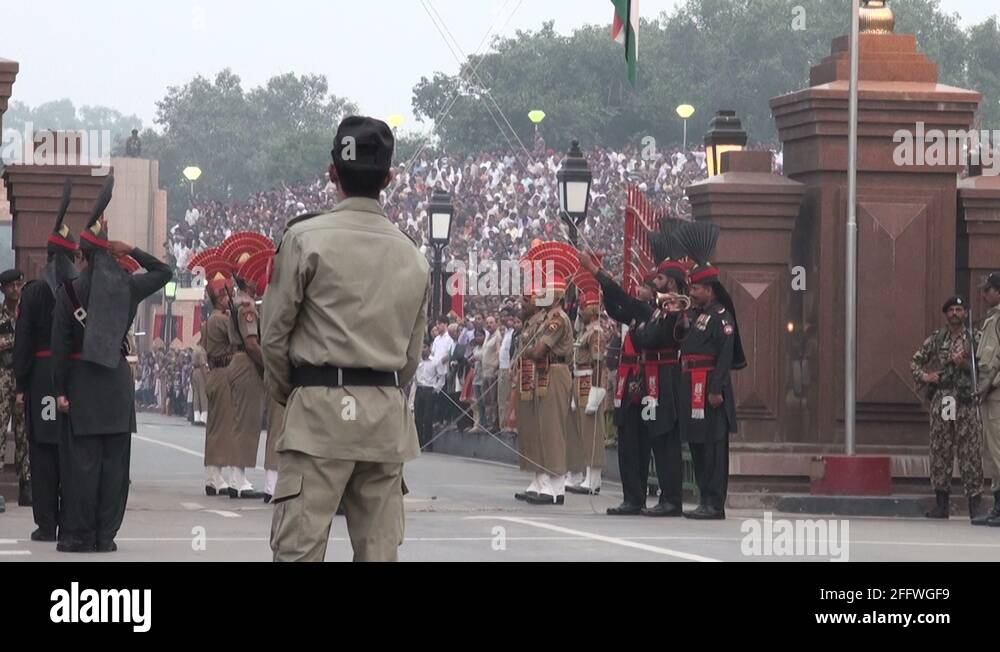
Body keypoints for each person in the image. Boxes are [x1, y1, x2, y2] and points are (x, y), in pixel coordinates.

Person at [262, 116, 430, 562]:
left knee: (299, 550)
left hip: (318, 412)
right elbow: (411, 357)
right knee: (378, 553)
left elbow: (273, 334)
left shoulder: (304, 239)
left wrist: (294, 393)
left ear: (332, 172)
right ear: (389, 179)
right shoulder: (413, 255)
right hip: (384, 420)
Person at [52, 177, 172, 552]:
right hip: (117, 386)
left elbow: (59, 346)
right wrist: (133, 248)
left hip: (81, 385)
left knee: (82, 467)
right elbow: (165, 274)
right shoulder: (128, 285)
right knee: (114, 468)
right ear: (108, 253)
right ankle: (105, 537)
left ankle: (79, 535)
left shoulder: (68, 291)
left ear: (83, 256)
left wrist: (59, 390)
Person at [13, 189, 79, 541]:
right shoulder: (78, 290)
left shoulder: (35, 291)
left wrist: (21, 384)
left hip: (40, 379)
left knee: (42, 450)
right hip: (70, 377)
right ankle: (69, 517)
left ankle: (46, 522)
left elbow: (23, 341)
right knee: (68, 449)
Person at [675, 258, 745, 521]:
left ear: (710, 289)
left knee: (714, 448)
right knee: (697, 444)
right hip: (692, 385)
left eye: (696, 289)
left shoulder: (721, 317)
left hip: (711, 389)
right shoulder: (697, 314)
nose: (691, 293)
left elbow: (725, 356)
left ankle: (715, 503)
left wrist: (716, 388)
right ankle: (704, 497)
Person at [505, 243, 575, 505]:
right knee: (536, 428)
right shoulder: (544, 319)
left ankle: (556, 483)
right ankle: (542, 478)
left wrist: (526, 354)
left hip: (554, 370)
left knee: (552, 428)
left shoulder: (558, 319)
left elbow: (538, 350)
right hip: (540, 372)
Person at [911, 295, 985, 521]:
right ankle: (941, 505)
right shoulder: (937, 338)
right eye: (951, 310)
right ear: (946, 314)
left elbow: (985, 367)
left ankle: (975, 506)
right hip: (943, 399)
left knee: (970, 452)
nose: (955, 313)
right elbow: (915, 362)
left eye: (959, 310)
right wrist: (926, 376)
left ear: (965, 314)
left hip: (965, 400)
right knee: (941, 450)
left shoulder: (975, 339)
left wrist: (965, 365)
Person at [565, 289, 607, 495]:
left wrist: (597, 391)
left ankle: (594, 477)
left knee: (591, 430)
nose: (580, 311)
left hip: (589, 378)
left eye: (583, 307)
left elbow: (598, 362)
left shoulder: (596, 333)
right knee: (578, 429)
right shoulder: (584, 331)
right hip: (578, 377)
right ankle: (579, 472)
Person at [0, 268, 29, 506]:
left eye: (18, 285)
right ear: (3, 289)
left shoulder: (26, 313)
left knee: (24, 433)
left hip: (22, 378)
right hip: (2, 378)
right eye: (10, 286)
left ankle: (26, 484)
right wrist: (16, 341)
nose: (15, 289)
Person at [975, 273, 1000, 526]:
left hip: (996, 394)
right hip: (988, 393)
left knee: (998, 451)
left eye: (988, 290)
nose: (984, 294)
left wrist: (990, 384)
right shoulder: (991, 319)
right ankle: (997, 506)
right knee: (991, 454)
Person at [190, 335, 209, 425]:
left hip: (194, 372)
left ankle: (196, 417)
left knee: (196, 395)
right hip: (200, 372)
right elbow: (202, 364)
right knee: (203, 394)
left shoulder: (195, 349)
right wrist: (206, 377)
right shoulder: (201, 351)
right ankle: (203, 418)